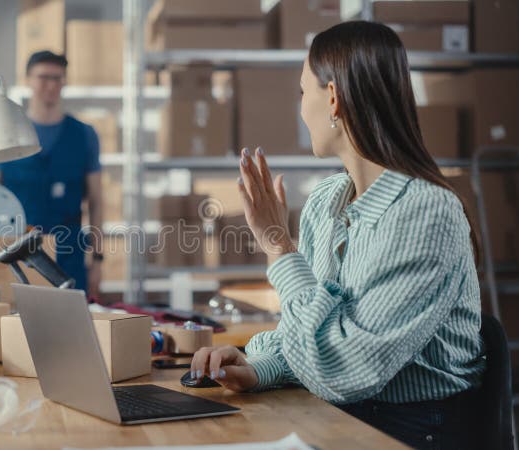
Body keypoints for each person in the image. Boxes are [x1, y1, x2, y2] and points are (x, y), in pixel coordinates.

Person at [190, 22, 485, 449]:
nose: (301, 107)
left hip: (415, 431)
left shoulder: (427, 212)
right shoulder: (327, 200)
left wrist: (278, 246)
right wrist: (260, 365)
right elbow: (313, 330)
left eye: (302, 92)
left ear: (332, 99)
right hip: (344, 414)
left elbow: (344, 368)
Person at [0, 50, 103, 297]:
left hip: (69, 255)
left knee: (72, 327)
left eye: (58, 78)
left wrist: (98, 260)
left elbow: (97, 202)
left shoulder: (84, 135)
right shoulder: (7, 132)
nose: (51, 85)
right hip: (20, 256)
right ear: (28, 79)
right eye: (44, 77)